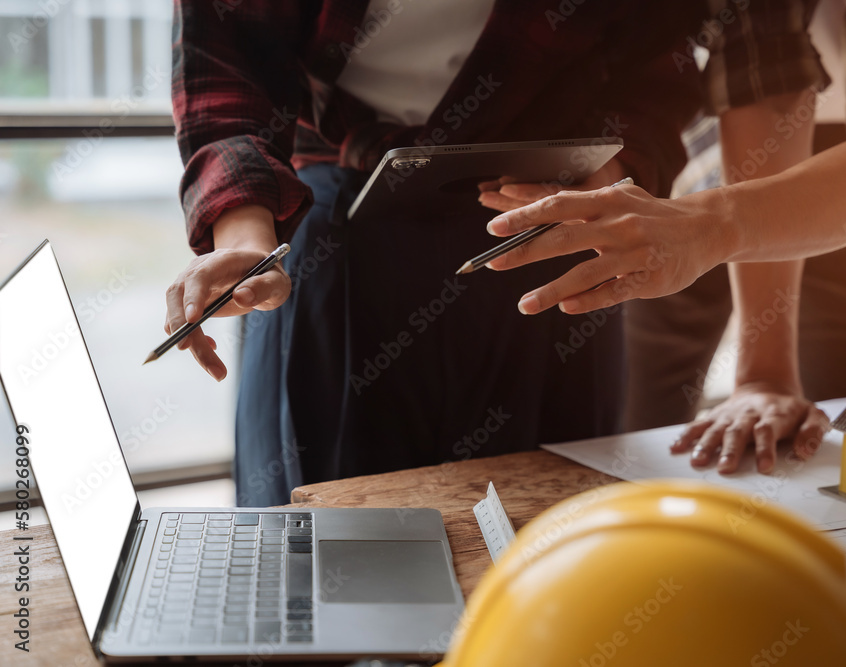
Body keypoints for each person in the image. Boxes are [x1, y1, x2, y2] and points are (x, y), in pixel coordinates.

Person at [164, 0, 707, 505]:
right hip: (331, 232)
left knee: (551, 542)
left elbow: (659, 54)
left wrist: (606, 176)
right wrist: (244, 240)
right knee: (331, 548)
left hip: (549, 222)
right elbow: (225, 49)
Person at [482, 0, 846, 474]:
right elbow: (762, 73)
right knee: (644, 418)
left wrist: (713, 228)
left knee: (837, 443)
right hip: (718, 162)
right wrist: (764, 372)